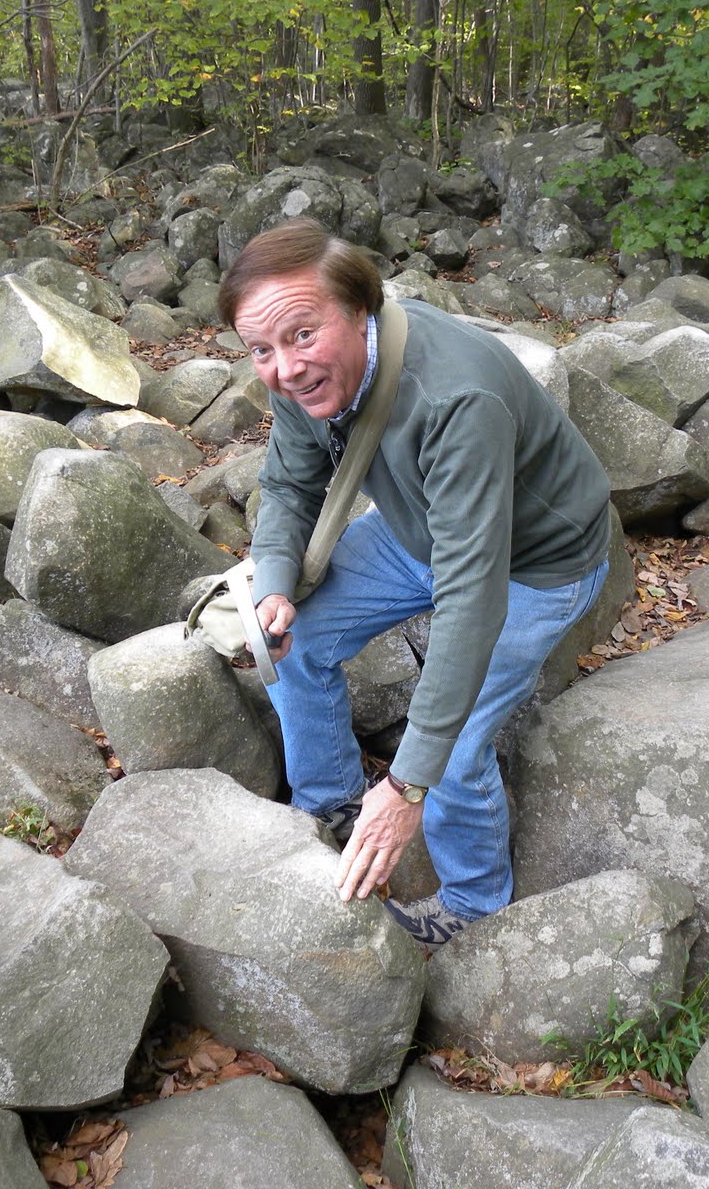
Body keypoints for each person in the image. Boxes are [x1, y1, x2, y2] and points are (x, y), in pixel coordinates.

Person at [219, 218, 612, 948]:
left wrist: (404, 788)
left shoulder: (456, 398)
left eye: (303, 335)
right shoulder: (299, 372)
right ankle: (333, 805)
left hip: (537, 561)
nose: (284, 367)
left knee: (452, 756)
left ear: (361, 310)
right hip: (418, 531)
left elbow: (472, 596)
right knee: (291, 638)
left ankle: (472, 903)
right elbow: (291, 485)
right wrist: (276, 582)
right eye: (261, 350)